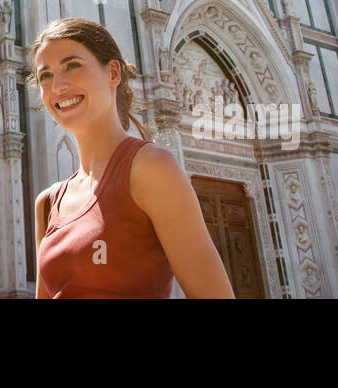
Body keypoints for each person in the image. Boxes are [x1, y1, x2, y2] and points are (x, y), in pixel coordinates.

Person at [30, 18, 234, 298]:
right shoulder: (48, 203)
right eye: (45, 76)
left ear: (113, 72)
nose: (58, 86)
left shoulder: (150, 168)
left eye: (73, 65)